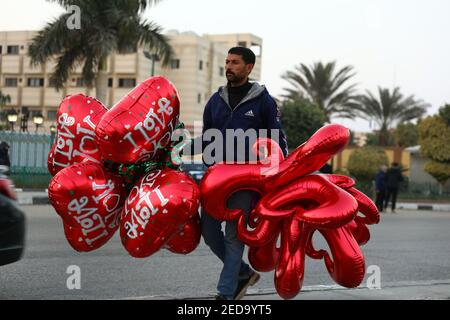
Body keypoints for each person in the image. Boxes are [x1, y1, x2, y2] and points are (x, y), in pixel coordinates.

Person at [197, 47, 288, 300]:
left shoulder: (264, 101)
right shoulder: (215, 101)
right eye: (227, 62)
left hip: (245, 182)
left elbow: (277, 138)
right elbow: (207, 138)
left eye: (235, 62)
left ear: (249, 67)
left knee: (234, 238)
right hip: (216, 180)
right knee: (208, 232)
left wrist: (276, 174)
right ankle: (244, 272)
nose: (229, 66)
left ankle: (225, 295)